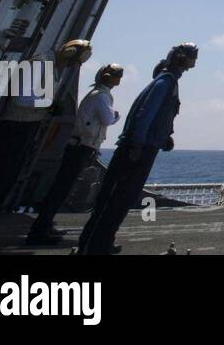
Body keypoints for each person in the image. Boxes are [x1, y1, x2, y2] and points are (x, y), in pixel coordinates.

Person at [0, 39, 93, 255]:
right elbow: (22, 98)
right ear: (69, 52)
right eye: (74, 61)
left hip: (24, 130)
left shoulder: (52, 67)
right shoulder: (41, 64)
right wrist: (49, 104)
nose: (73, 66)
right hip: (13, 129)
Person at [78, 43, 197, 255]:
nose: (193, 61)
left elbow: (155, 114)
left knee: (116, 198)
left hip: (143, 145)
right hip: (139, 148)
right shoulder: (165, 82)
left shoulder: (166, 81)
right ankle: (96, 246)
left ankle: (97, 243)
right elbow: (145, 114)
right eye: (191, 57)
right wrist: (137, 144)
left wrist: (165, 137)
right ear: (183, 59)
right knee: (118, 199)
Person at [25, 63, 123, 245]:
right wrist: (116, 115)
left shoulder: (98, 95)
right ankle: (40, 230)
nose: (119, 79)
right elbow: (108, 118)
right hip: (82, 146)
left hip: (82, 146)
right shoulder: (100, 97)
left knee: (61, 188)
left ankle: (44, 225)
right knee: (61, 188)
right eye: (117, 75)